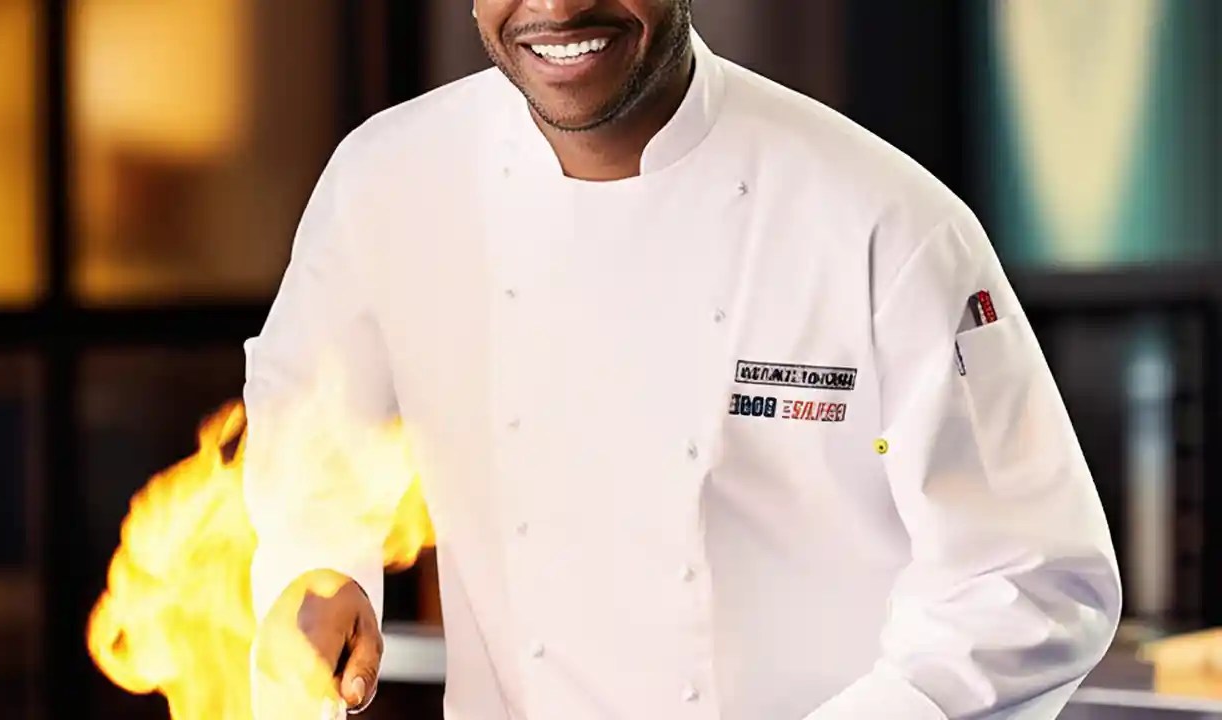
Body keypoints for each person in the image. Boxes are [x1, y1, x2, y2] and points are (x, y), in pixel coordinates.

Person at [243, 1, 1122, 718]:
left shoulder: (881, 220)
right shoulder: (389, 182)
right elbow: (307, 446)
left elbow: (1033, 580)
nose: (557, 6)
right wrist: (318, 575)